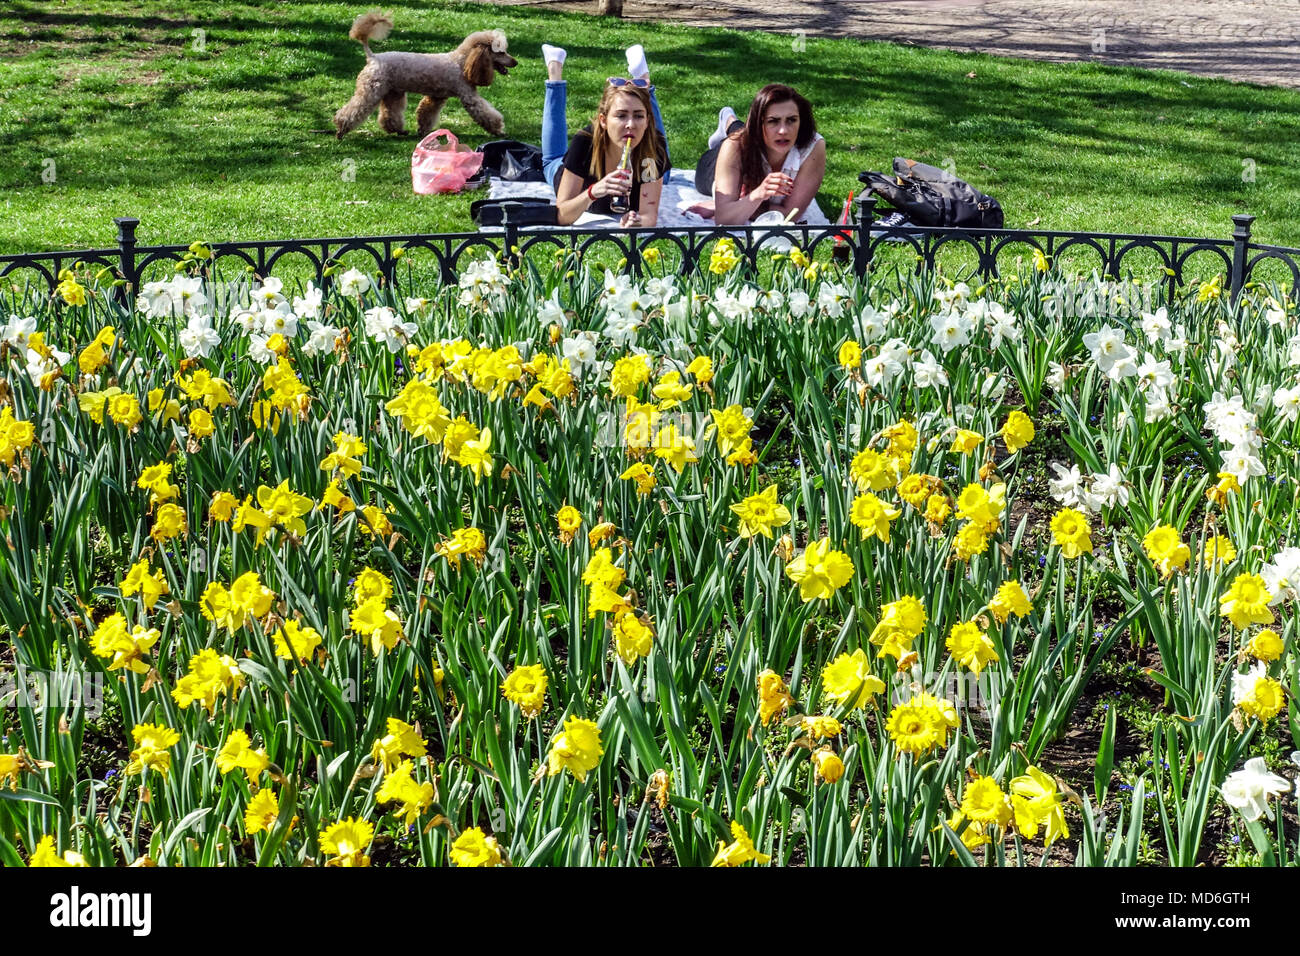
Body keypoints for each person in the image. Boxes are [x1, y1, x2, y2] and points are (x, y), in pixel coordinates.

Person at [540, 44, 672, 227]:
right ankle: (555, 71)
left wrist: (637, 222)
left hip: (648, 157)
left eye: (639, 116)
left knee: (662, 175)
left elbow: (649, 215)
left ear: (648, 121)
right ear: (603, 120)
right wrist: (594, 191)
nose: (631, 125)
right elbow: (562, 215)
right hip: (573, 175)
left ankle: (643, 80)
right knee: (551, 161)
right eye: (621, 115)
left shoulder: (651, 151)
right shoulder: (585, 142)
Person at [694, 84, 826, 225]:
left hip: (758, 140)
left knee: (745, 133)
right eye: (772, 121)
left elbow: (790, 215)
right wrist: (759, 194)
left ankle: (735, 124)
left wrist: (742, 204)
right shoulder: (734, 146)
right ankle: (728, 121)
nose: (783, 130)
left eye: (791, 120)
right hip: (717, 160)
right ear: (759, 124)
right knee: (736, 138)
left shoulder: (813, 146)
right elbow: (724, 219)